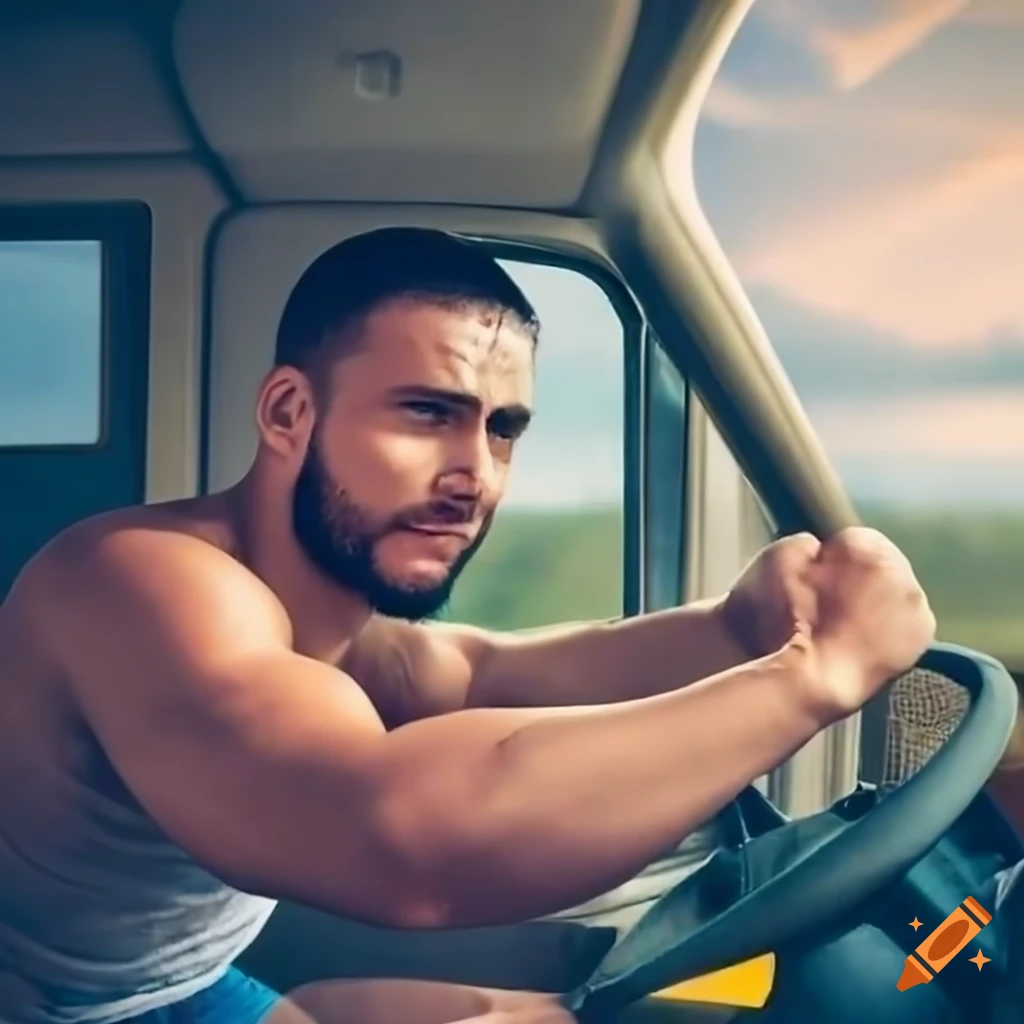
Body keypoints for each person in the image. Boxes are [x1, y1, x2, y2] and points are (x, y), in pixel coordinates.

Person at [0, 227, 938, 1024]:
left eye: (502, 428)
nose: (474, 475)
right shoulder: (140, 584)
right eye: (426, 413)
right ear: (291, 412)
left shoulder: (316, 601)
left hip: (183, 986)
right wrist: (815, 676)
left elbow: (482, 673)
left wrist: (737, 630)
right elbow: (398, 842)